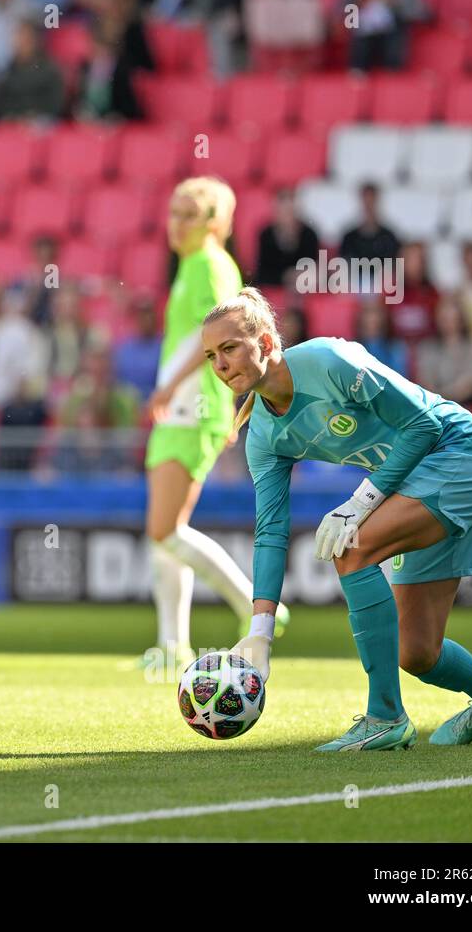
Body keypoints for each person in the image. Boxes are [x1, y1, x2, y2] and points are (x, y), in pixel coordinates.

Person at [205, 287, 472, 750]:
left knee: (352, 546)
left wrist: (360, 502)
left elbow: (424, 425)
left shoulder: (331, 361)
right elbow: (270, 531)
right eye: (212, 355)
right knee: (418, 653)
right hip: (419, 486)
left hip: (467, 457)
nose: (220, 365)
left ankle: (385, 718)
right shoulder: (263, 437)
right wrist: (260, 632)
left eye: (230, 348)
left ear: (267, 344)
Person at [143, 177, 289, 668]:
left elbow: (215, 339)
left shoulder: (209, 265)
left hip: (194, 406)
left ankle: (256, 604)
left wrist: (173, 387)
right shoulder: (192, 265)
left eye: (188, 214)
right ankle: (170, 647)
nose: (175, 223)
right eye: (173, 212)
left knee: (165, 529)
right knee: (166, 533)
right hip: (181, 407)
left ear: (215, 224)